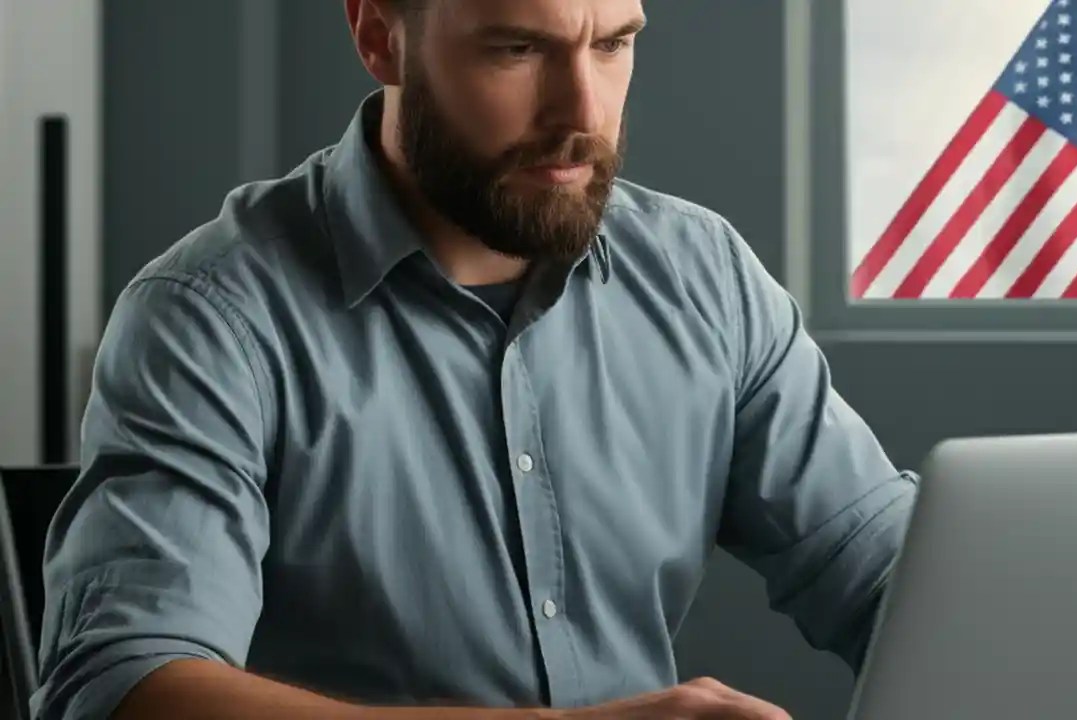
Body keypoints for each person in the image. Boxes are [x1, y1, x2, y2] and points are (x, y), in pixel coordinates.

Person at [32, 0, 918, 718]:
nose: (582, 113)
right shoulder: (210, 317)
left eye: (612, 44)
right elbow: (124, 689)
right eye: (518, 49)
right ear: (380, 37)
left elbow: (890, 580)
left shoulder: (703, 276)